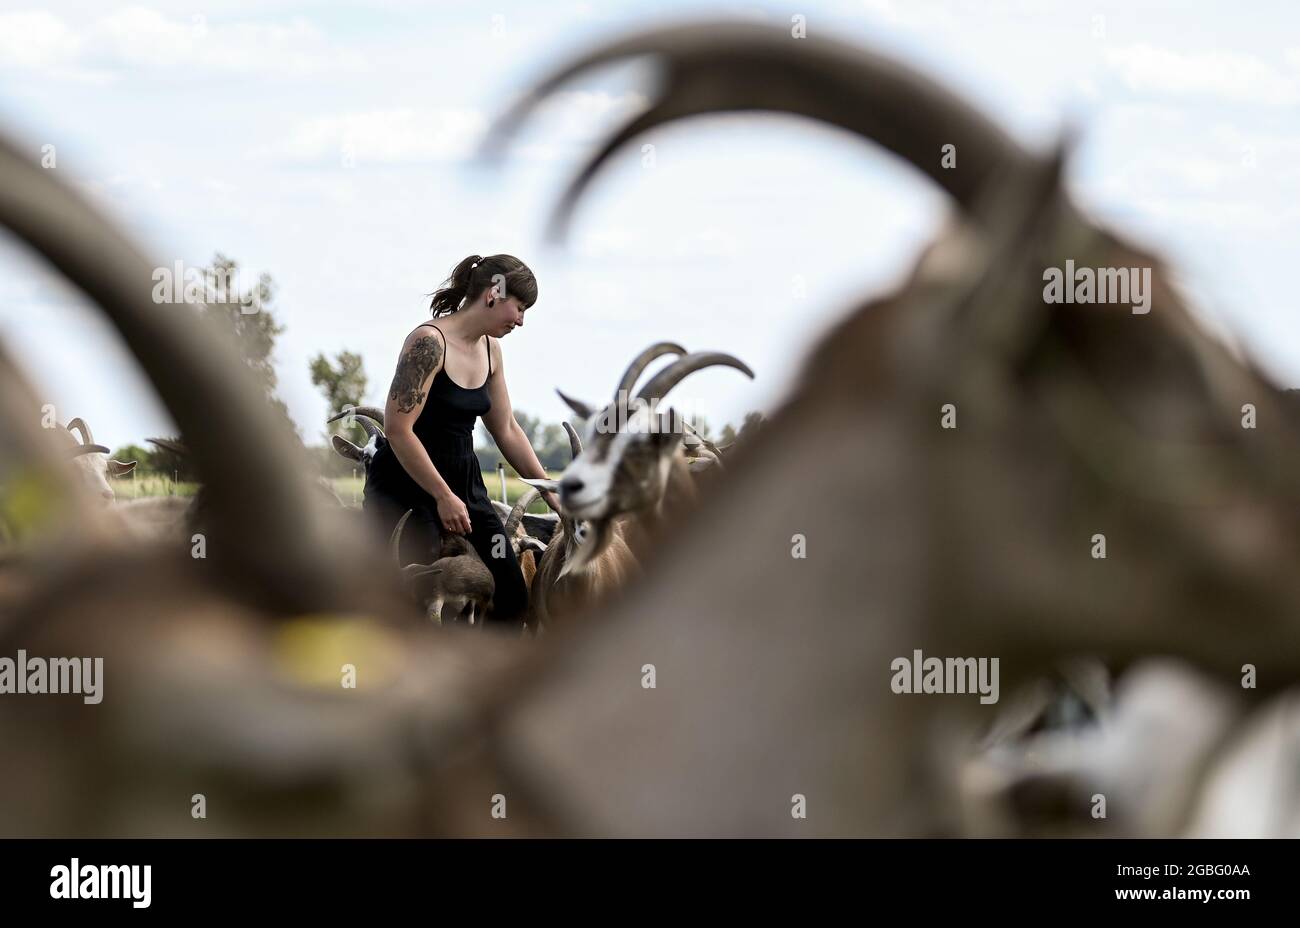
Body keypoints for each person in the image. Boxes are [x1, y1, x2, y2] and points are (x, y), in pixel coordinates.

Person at [363, 253, 559, 628]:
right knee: (418, 603)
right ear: (493, 294)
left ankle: (488, 681)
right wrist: (441, 495)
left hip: (464, 485)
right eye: (519, 308)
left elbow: (506, 429)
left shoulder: (491, 351)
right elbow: (398, 430)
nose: (521, 320)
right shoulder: (428, 342)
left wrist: (552, 493)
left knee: (512, 597)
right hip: (407, 485)